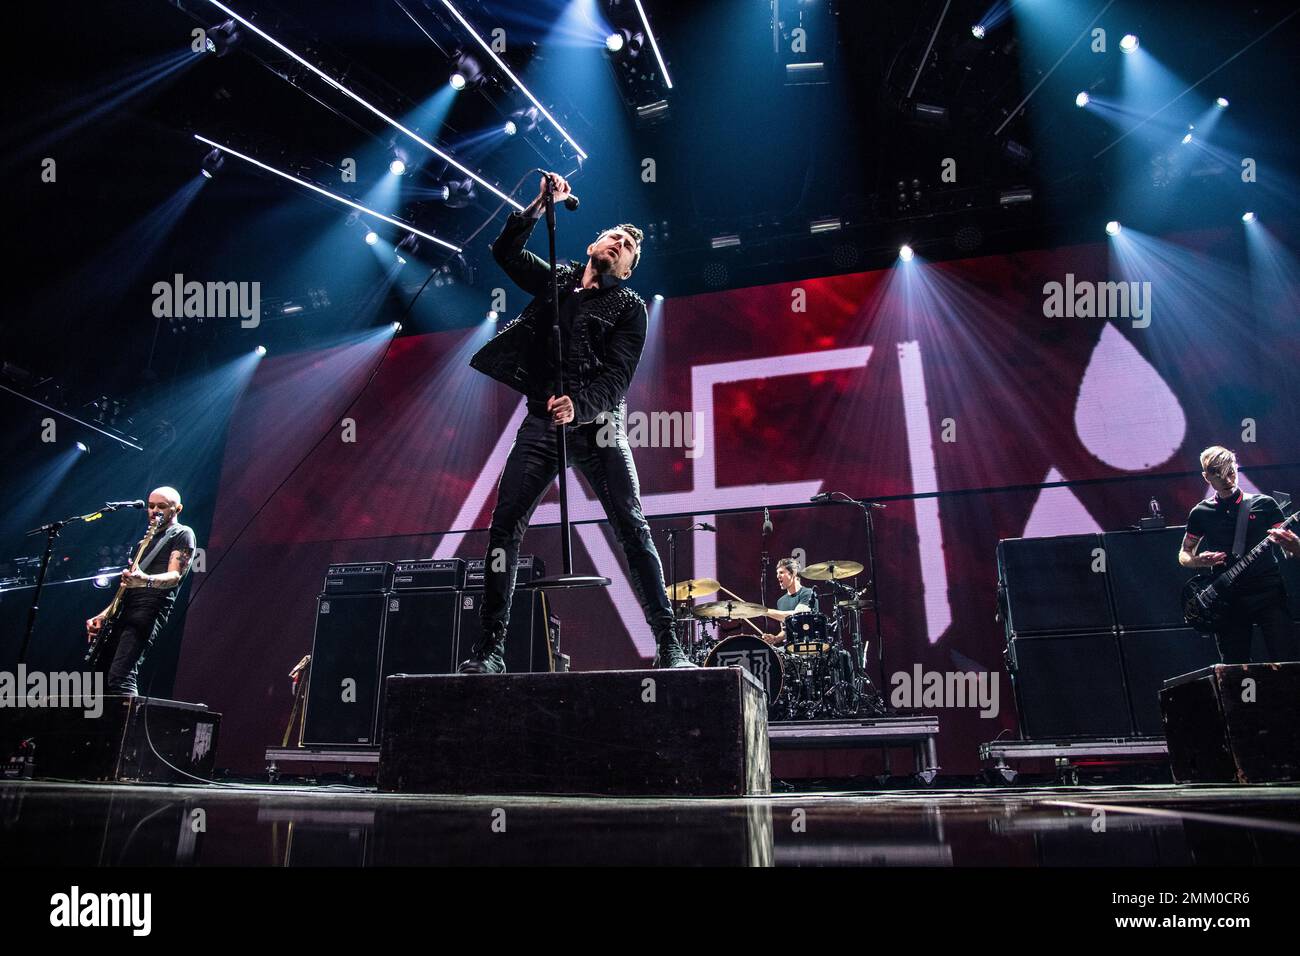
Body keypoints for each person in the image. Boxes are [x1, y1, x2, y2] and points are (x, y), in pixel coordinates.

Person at [461, 171, 692, 672]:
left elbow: (618, 378)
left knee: (632, 526)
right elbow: (504, 253)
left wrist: (580, 406)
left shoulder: (629, 306)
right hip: (543, 422)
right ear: (593, 242)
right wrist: (540, 205)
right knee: (504, 526)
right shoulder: (558, 279)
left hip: (599, 426)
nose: (618, 241)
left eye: (627, 244)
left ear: (627, 268)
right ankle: (491, 650)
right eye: (614, 234)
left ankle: (670, 644)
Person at [1177, 446, 1298, 664]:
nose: (1227, 479)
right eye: (1218, 474)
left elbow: (1289, 552)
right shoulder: (1201, 512)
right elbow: (1184, 553)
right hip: (1228, 599)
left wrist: (1295, 545)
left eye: (1231, 472)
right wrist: (1197, 560)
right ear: (1207, 477)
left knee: (1286, 661)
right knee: (1234, 669)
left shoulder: (1265, 505)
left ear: (1236, 468)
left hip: (1267, 593)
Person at [85, 487, 197, 694]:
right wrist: (104, 614)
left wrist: (145, 580)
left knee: (121, 677)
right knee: (99, 679)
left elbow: (175, 576)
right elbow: (127, 587)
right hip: (125, 608)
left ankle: (127, 725)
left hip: (149, 608)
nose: (154, 510)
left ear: (177, 509)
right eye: (151, 506)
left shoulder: (183, 533)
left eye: (162, 506)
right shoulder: (141, 543)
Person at [762, 557, 817, 645]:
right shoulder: (781, 601)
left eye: (781, 572)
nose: (777, 576)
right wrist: (776, 638)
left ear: (793, 573)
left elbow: (797, 617)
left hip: (808, 645)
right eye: (777, 573)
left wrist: (764, 611)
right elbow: (785, 631)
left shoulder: (807, 593)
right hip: (789, 649)